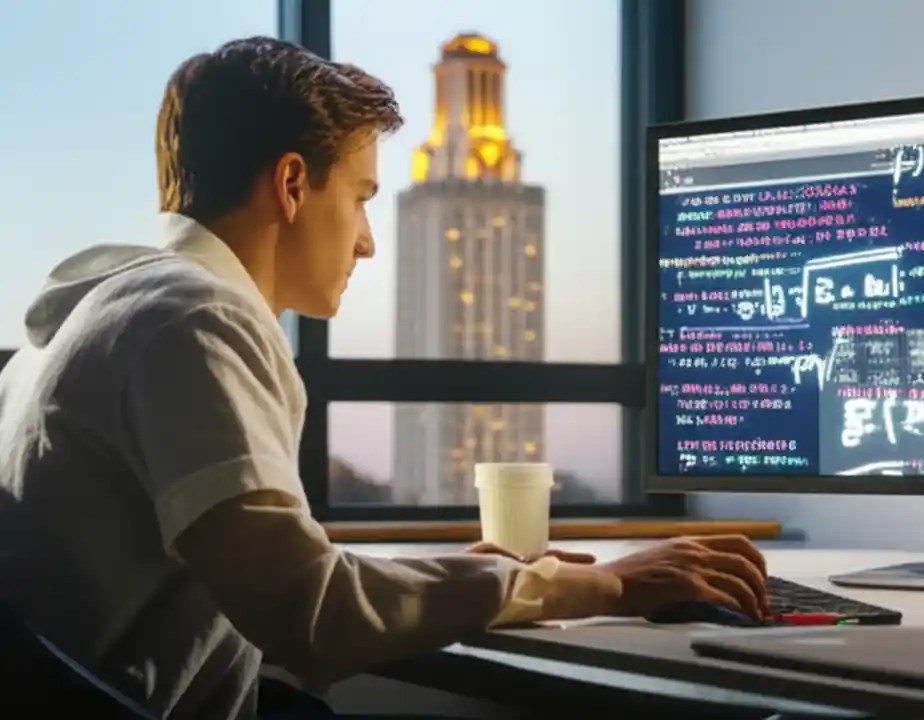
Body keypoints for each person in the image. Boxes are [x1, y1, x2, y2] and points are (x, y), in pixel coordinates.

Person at [0, 36, 769, 719]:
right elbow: (314, 615)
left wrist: (475, 576)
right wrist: (605, 586)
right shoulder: (193, 322)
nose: (367, 242)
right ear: (293, 184)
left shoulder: (109, 306)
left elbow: (276, 569)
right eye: (362, 198)